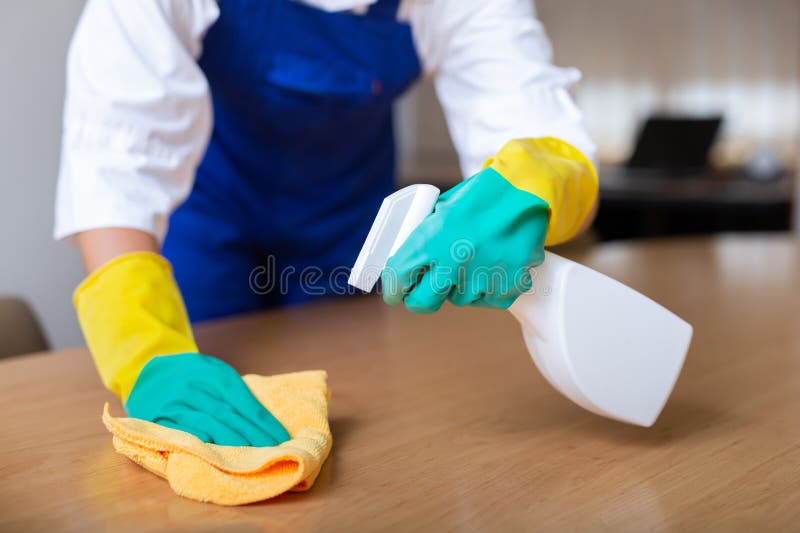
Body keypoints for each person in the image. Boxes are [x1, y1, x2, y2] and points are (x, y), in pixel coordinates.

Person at [57, 0, 598, 447]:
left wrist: (535, 182)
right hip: (209, 223)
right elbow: (114, 168)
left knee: (354, 413)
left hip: (347, 230)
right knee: (197, 416)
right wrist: (146, 354)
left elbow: (538, 123)